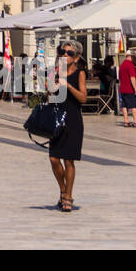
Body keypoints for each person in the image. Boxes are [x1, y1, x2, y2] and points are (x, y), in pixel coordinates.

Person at [48, 39, 87, 213]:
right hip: (56, 119)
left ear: (76, 57)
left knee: (68, 160)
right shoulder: (55, 71)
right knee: (54, 158)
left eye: (69, 53)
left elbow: (83, 99)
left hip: (72, 120)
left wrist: (68, 86)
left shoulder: (79, 73)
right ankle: (63, 190)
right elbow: (48, 94)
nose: (65, 55)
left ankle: (68, 196)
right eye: (62, 52)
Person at [118, 52, 136, 128]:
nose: (135, 59)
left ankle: (126, 121)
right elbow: (132, 77)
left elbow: (120, 78)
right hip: (130, 89)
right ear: (131, 57)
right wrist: (135, 89)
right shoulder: (130, 65)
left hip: (122, 88)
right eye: (134, 57)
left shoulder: (122, 65)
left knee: (124, 105)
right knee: (134, 105)